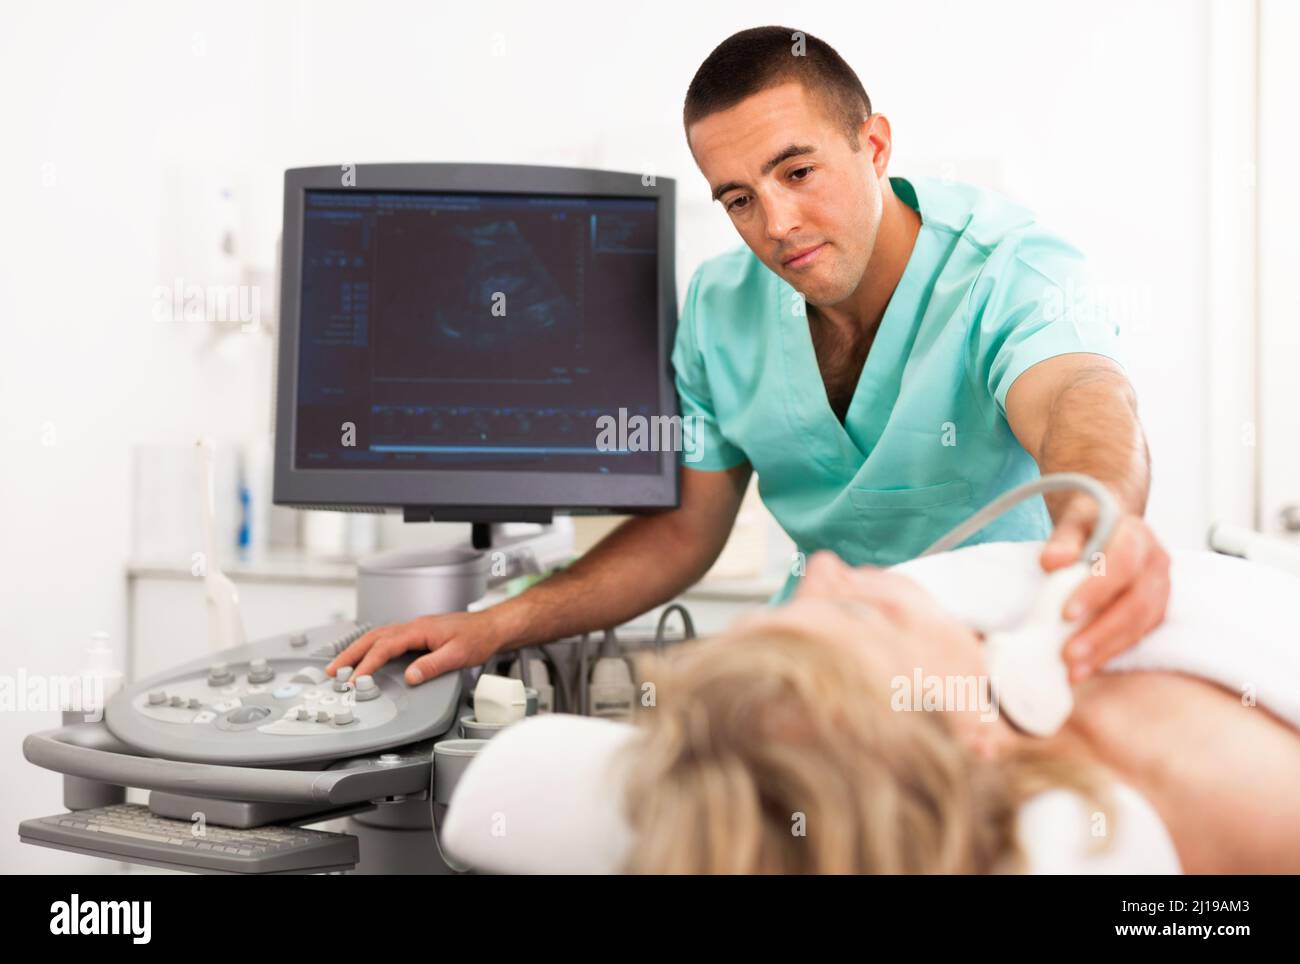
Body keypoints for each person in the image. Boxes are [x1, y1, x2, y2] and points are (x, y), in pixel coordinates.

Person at [329, 26, 1168, 691]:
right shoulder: (721, 310)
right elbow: (687, 529)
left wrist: (1102, 523)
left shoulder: (1009, 270)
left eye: (797, 171)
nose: (777, 223)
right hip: (819, 672)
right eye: (738, 198)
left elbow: (1080, 398)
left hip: (999, 666)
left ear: (873, 147)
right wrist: (495, 623)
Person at [618, 551, 1300, 874]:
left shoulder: (968, 636)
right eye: (855, 611)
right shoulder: (1244, 792)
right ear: (966, 736)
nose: (822, 564)